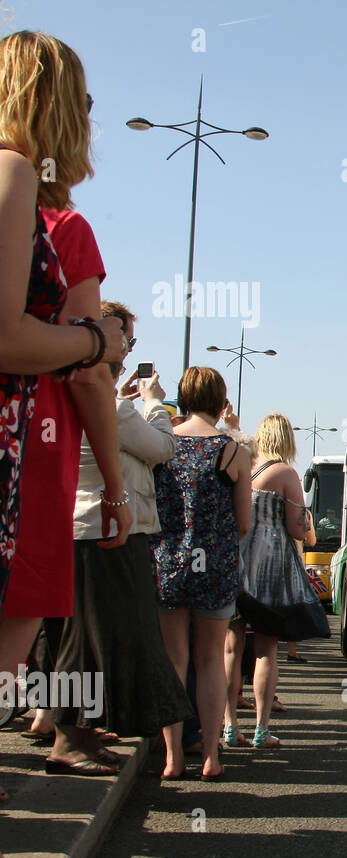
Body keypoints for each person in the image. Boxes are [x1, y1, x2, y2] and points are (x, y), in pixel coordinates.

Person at [0, 31, 127, 714]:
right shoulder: (43, 202)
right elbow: (76, 373)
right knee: (11, 633)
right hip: (27, 437)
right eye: (82, 98)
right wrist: (94, 339)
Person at [41, 302, 194, 776]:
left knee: (89, 639)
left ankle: (78, 736)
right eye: (125, 340)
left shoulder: (94, 395)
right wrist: (153, 403)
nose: (128, 351)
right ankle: (67, 740)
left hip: (85, 527)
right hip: (103, 529)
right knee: (93, 639)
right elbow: (161, 447)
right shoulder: (113, 404)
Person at [154, 367, 251, 782]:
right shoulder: (233, 452)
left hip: (168, 560)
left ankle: (173, 757)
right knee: (211, 660)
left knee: (175, 659)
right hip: (214, 563)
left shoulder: (163, 444)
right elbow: (243, 522)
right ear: (220, 399)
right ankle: (211, 756)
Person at [230, 413, 330, 747]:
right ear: (286, 439)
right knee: (265, 649)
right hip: (269, 566)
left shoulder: (243, 464)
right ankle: (261, 729)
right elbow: (298, 528)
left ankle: (229, 727)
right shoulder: (284, 473)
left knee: (230, 648)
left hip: (236, 562)